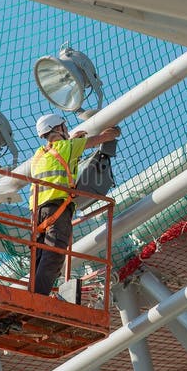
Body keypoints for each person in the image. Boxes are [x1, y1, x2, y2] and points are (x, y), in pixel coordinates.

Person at [31, 113, 120, 296]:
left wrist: (73, 140)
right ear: (59, 128)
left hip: (37, 213)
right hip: (58, 208)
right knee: (54, 255)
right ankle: (36, 299)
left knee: (38, 258)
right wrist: (112, 131)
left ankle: (31, 294)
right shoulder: (68, 146)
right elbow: (102, 138)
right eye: (64, 127)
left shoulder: (39, 155)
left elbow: (61, 156)